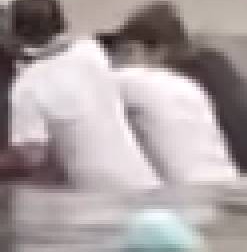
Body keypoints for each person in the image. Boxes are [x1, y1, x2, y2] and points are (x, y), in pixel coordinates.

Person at [0, 0, 161, 193]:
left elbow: (32, 158)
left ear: (15, 35)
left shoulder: (29, 87)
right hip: (145, 184)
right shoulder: (91, 52)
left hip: (103, 195)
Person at [115, 2, 247, 177]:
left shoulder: (183, 83)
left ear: (159, 51)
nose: (122, 63)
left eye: (129, 53)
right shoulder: (213, 70)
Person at [101, 29, 239, 189]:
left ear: (130, 50)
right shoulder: (186, 83)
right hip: (226, 184)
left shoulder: (124, 81)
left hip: (186, 194)